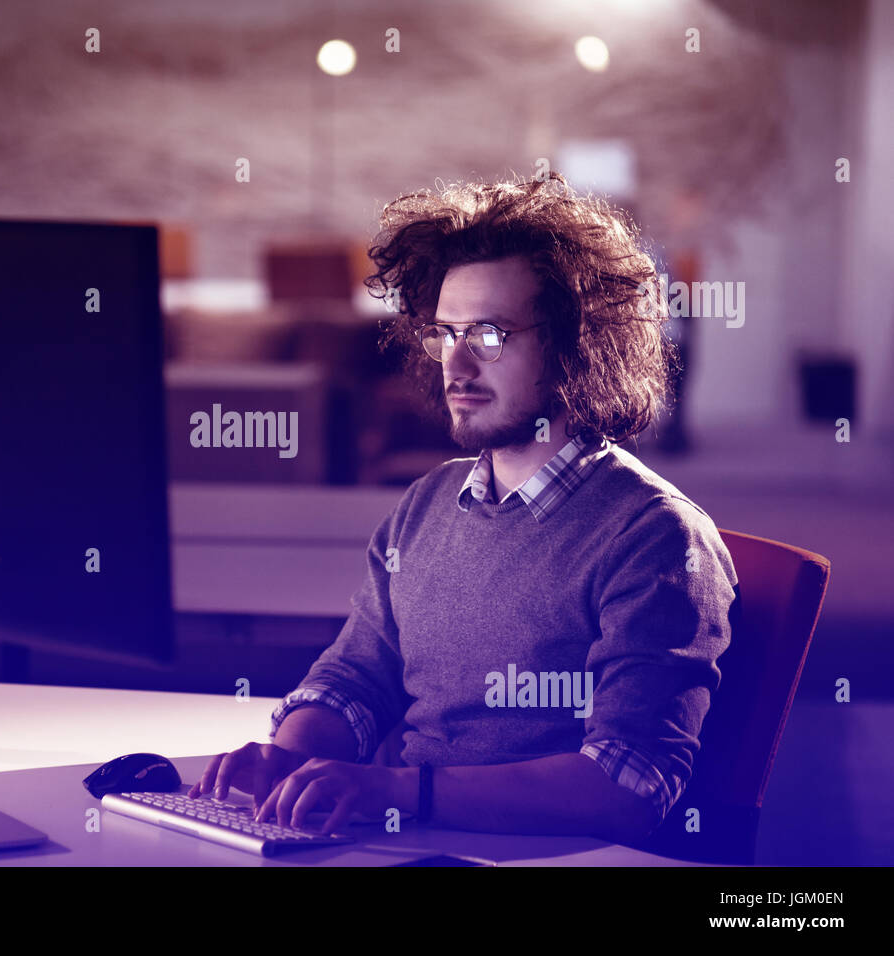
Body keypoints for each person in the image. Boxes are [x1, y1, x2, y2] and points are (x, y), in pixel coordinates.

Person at [189, 174, 737, 844]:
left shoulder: (656, 537)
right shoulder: (426, 503)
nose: (457, 363)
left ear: (577, 344)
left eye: (489, 334)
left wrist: (396, 792)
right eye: (446, 333)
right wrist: (293, 757)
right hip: (400, 839)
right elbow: (356, 676)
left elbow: (627, 784)